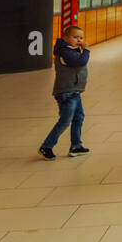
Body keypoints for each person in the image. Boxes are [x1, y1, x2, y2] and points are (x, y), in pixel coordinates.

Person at [39, 25, 91, 159]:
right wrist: (86, 50)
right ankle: (47, 146)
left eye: (81, 38)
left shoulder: (72, 50)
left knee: (79, 117)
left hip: (74, 92)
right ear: (66, 38)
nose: (79, 40)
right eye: (75, 37)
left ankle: (76, 146)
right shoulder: (65, 52)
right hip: (66, 93)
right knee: (65, 121)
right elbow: (80, 62)